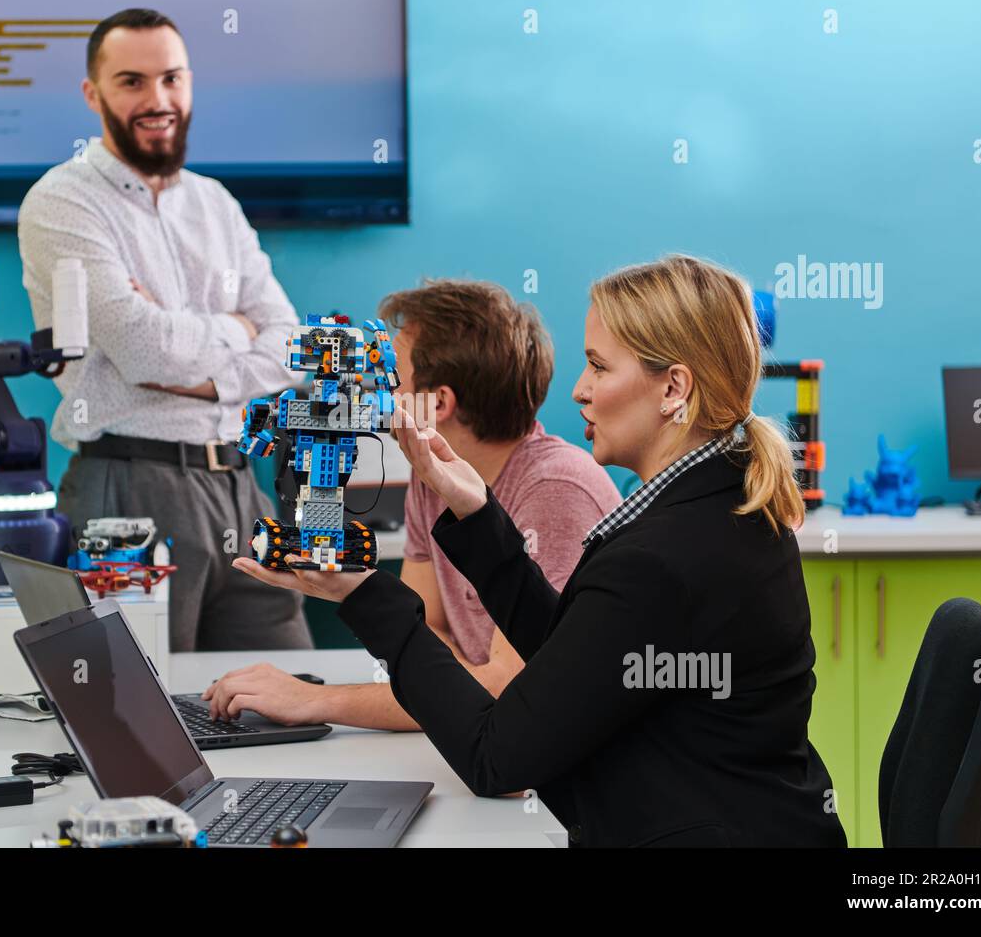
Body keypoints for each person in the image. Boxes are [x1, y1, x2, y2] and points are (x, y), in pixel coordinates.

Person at [231, 255, 849, 847]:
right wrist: (478, 516)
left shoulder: (664, 558)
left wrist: (368, 599)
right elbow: (577, 657)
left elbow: (496, 757)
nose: (579, 391)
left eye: (600, 368)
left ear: (673, 389)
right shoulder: (713, 504)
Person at [203, 280, 622, 728]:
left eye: (389, 376)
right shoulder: (430, 478)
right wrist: (460, 680)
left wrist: (315, 701)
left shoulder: (556, 487)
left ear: (437, 402)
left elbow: (509, 690)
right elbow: (424, 639)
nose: (371, 390)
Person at [18, 9, 309, 651]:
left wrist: (200, 367)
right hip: (128, 486)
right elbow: (142, 347)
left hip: (241, 487)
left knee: (286, 705)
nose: (158, 100)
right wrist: (235, 330)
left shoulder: (216, 204)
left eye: (172, 79)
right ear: (92, 94)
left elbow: (291, 344)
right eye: (132, 82)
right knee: (137, 717)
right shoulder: (61, 203)